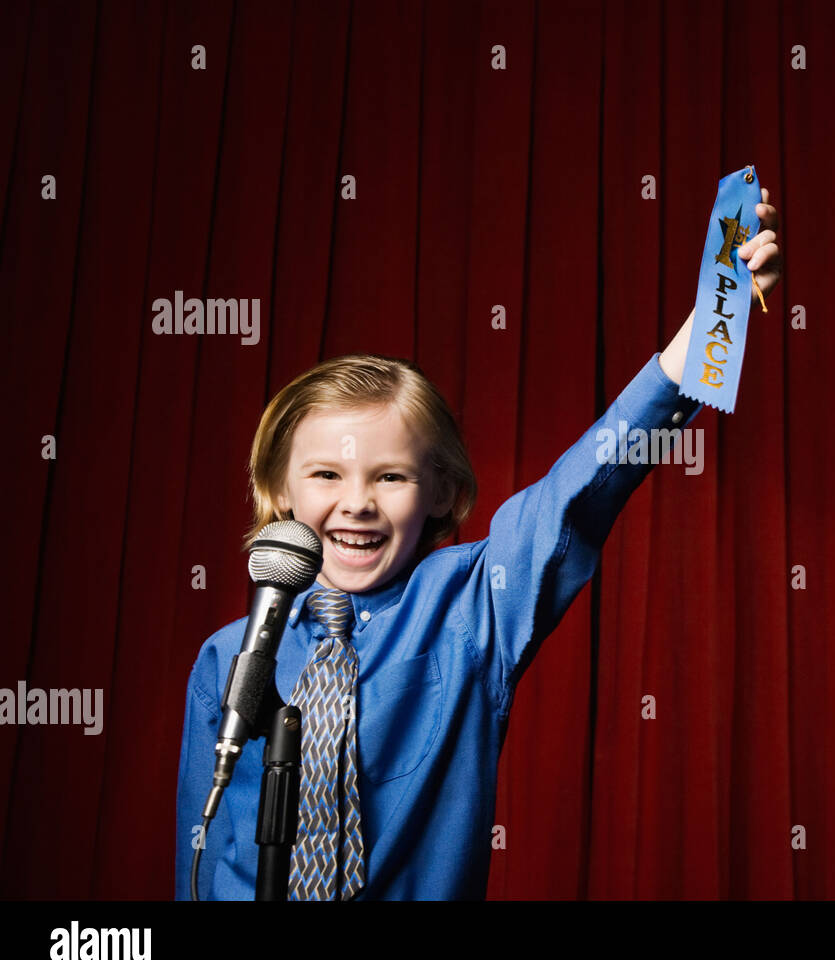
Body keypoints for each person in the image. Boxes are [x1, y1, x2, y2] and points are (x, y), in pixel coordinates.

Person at [175, 190, 782, 900]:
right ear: (280, 493)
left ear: (440, 491)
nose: (358, 500)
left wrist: (719, 312)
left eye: (391, 475)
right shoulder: (229, 655)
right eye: (327, 474)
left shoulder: (472, 607)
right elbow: (201, 846)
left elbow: (580, 491)